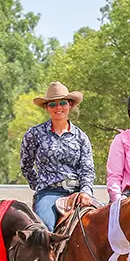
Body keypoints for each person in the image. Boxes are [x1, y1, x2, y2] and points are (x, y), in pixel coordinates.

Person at [19, 81, 95, 231]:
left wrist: (86, 191)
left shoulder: (81, 137)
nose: (58, 107)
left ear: (70, 105)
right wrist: (40, 185)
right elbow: (26, 165)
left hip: (77, 192)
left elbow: (87, 169)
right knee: (44, 229)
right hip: (49, 193)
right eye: (52, 104)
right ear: (47, 108)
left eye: (62, 103)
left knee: (103, 225)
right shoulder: (34, 134)